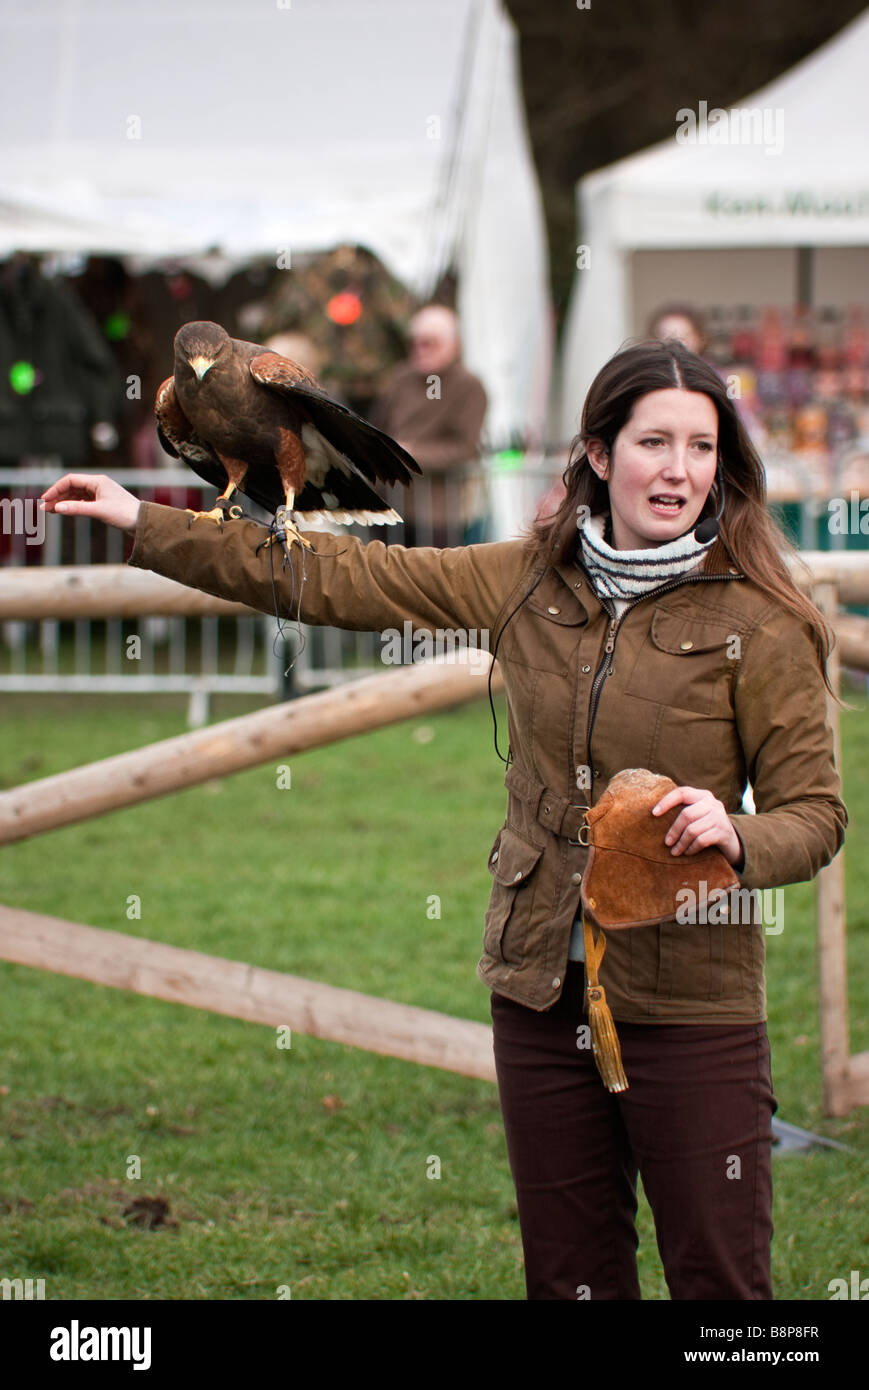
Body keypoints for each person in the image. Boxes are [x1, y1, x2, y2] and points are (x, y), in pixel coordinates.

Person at [38, 338, 847, 1301]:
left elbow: (816, 814)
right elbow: (334, 578)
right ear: (598, 455)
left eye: (701, 448)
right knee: (569, 1278)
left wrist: (737, 834)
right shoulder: (522, 579)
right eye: (652, 443)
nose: (677, 470)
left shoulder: (763, 621)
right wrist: (145, 521)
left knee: (718, 1287)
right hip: (539, 993)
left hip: (690, 1004)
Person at [371, 304, 488, 546]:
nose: (420, 349)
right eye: (415, 342)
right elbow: (377, 428)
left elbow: (465, 448)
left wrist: (409, 454)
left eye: (430, 342)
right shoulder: (401, 377)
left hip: (438, 516)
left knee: (431, 581)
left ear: (453, 344)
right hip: (389, 508)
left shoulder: (468, 386)